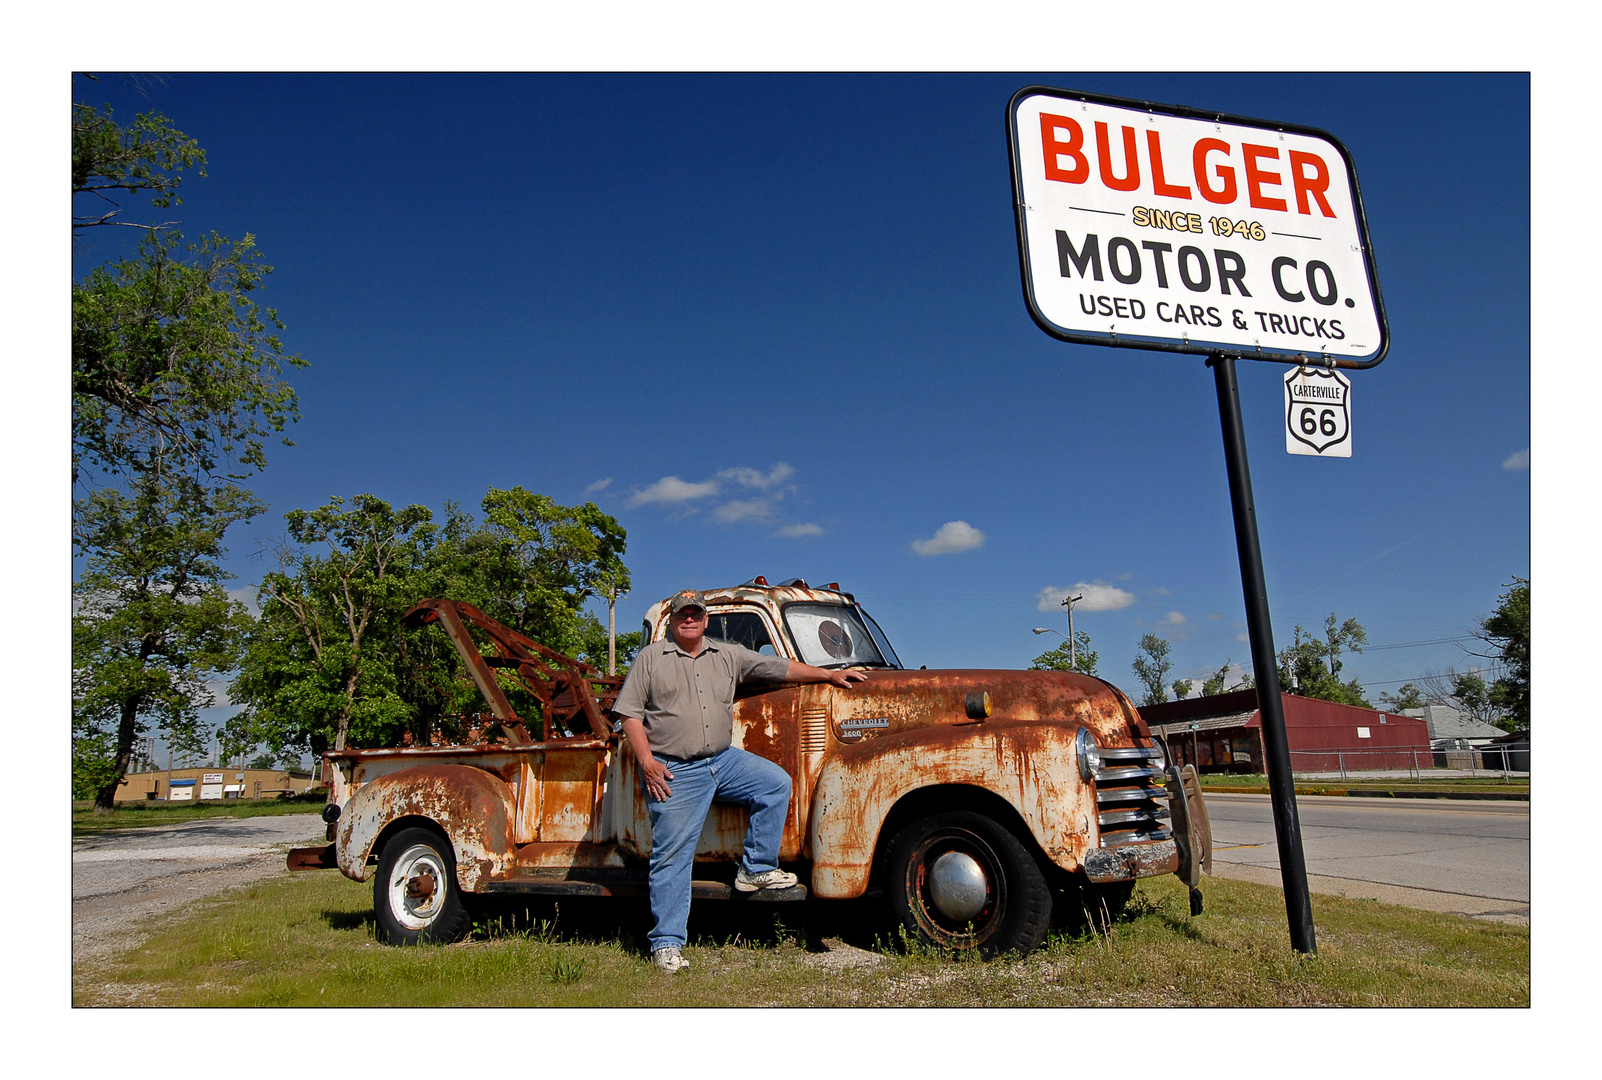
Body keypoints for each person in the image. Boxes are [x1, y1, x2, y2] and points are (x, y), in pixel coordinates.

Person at [612, 588, 868, 973]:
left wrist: (828, 673)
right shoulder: (651, 658)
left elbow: (779, 668)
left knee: (775, 783)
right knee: (672, 857)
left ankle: (756, 868)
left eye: (695, 613)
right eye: (682, 614)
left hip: (722, 760)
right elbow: (629, 714)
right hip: (674, 769)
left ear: (705, 619)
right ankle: (666, 943)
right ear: (673, 620)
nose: (689, 619)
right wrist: (647, 762)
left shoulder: (727, 654)